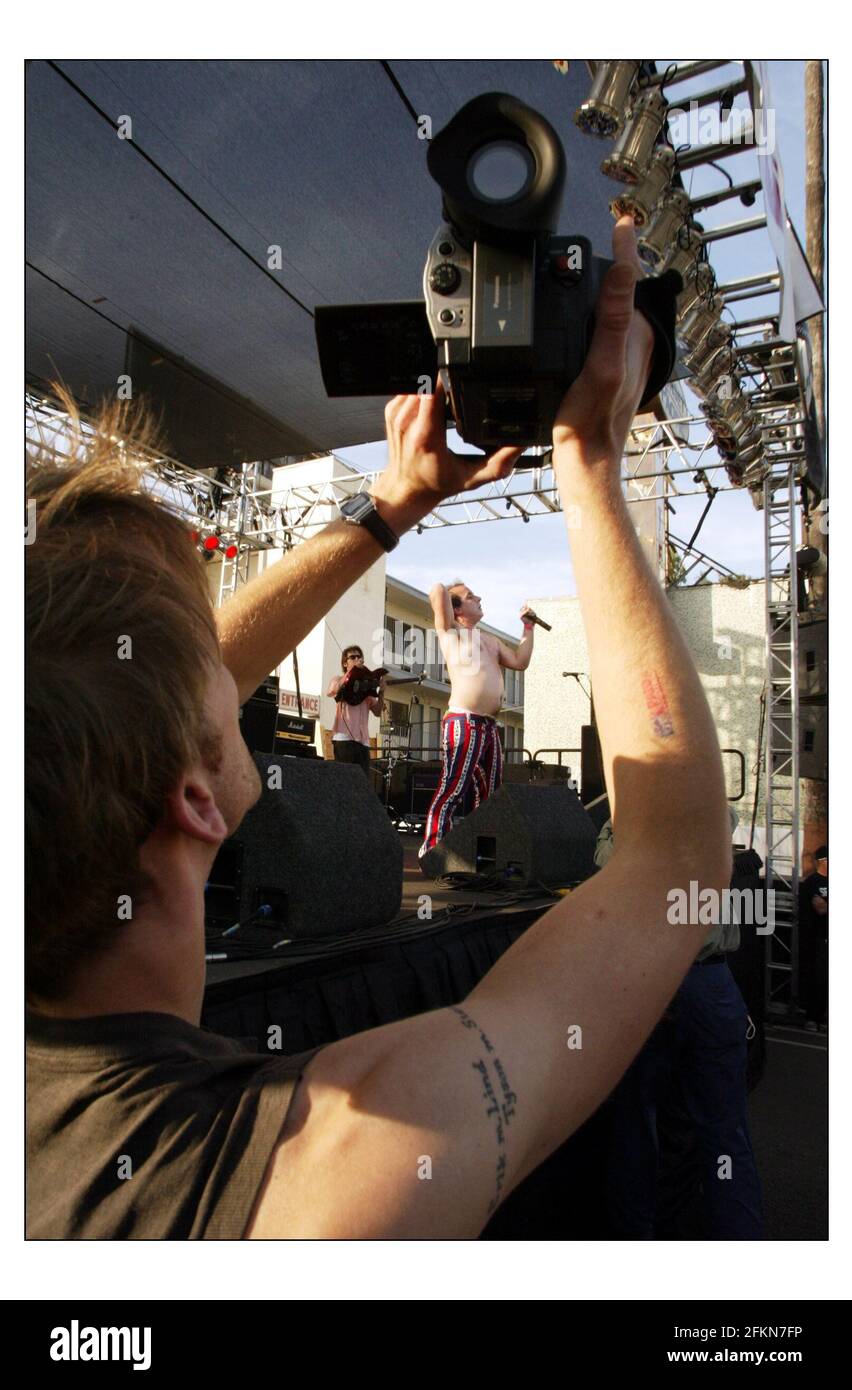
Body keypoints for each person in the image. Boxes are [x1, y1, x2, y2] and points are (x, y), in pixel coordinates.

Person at [26, 217, 732, 1239]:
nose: (218, 661)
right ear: (194, 798)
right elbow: (674, 864)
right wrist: (586, 459)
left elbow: (129, 695)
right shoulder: (320, 1180)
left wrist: (391, 506)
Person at [596, 808, 763, 1239]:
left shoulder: (637, 817)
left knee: (636, 1125)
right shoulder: (715, 812)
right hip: (711, 982)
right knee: (725, 1135)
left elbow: (608, 865)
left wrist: (617, 820)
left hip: (653, 982)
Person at [419, 583, 535, 857]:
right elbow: (437, 592)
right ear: (456, 609)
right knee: (454, 786)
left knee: (490, 795)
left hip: (489, 725)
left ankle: (482, 856)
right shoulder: (451, 633)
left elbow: (520, 661)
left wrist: (528, 628)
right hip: (463, 720)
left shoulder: (490, 640)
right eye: (471, 597)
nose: (479, 598)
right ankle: (433, 850)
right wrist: (450, 592)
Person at [325, 645, 384, 776]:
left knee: (362, 781)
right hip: (344, 739)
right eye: (353, 657)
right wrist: (353, 671)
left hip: (363, 742)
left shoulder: (365, 687)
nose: (357, 659)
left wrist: (382, 693)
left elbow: (377, 712)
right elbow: (333, 690)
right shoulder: (337, 679)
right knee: (344, 779)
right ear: (345, 663)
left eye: (359, 657)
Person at [799, 844, 828, 1031]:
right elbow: (820, 908)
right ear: (823, 861)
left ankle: (824, 1017)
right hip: (818, 938)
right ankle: (812, 1017)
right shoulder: (812, 882)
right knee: (818, 978)